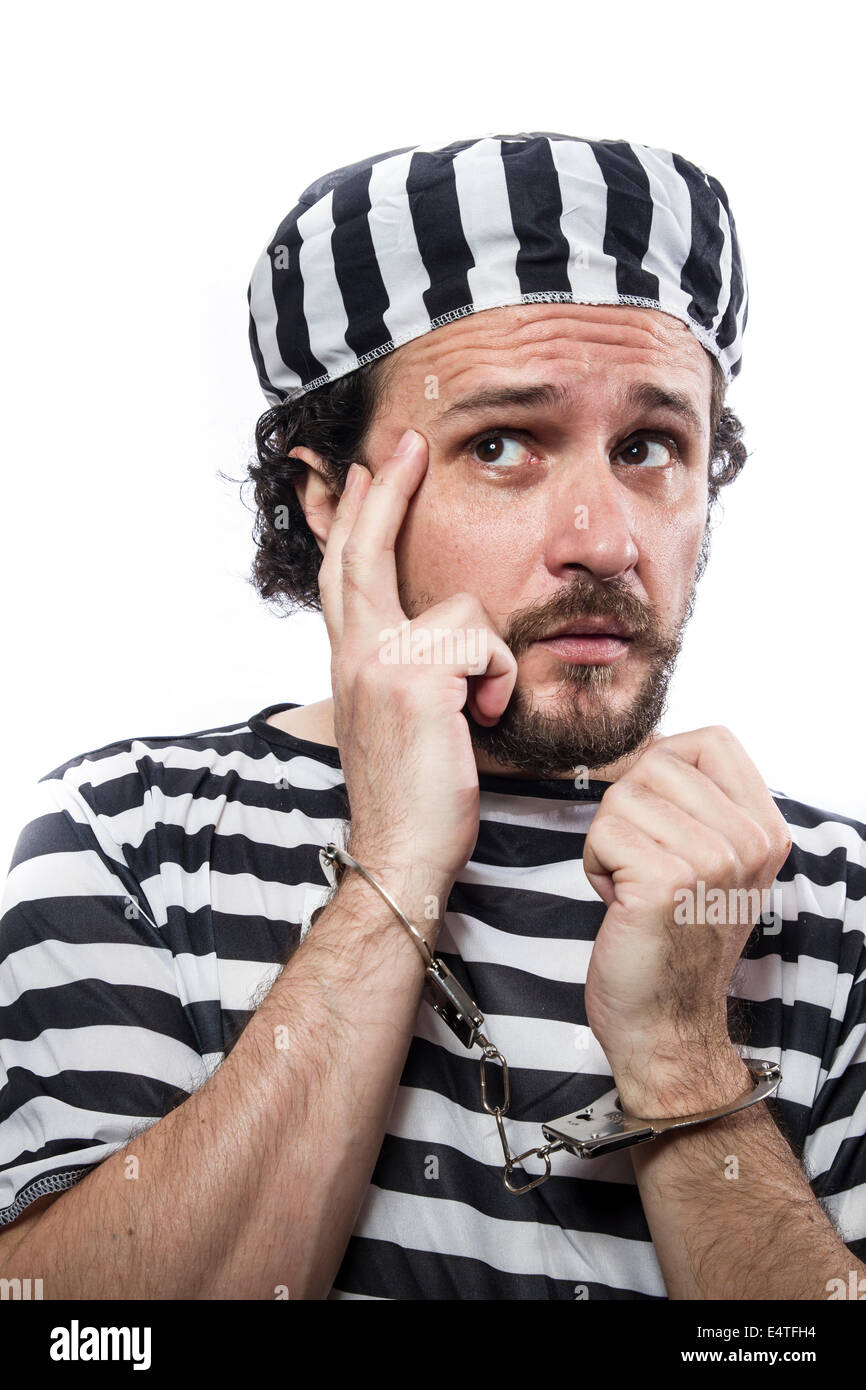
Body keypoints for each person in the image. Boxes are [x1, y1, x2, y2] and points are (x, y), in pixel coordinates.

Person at [0, 133, 863, 1301]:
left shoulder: (827, 899)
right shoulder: (128, 835)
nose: (604, 542)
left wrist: (677, 1051)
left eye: (650, 447)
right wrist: (395, 864)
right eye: (500, 445)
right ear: (325, 498)